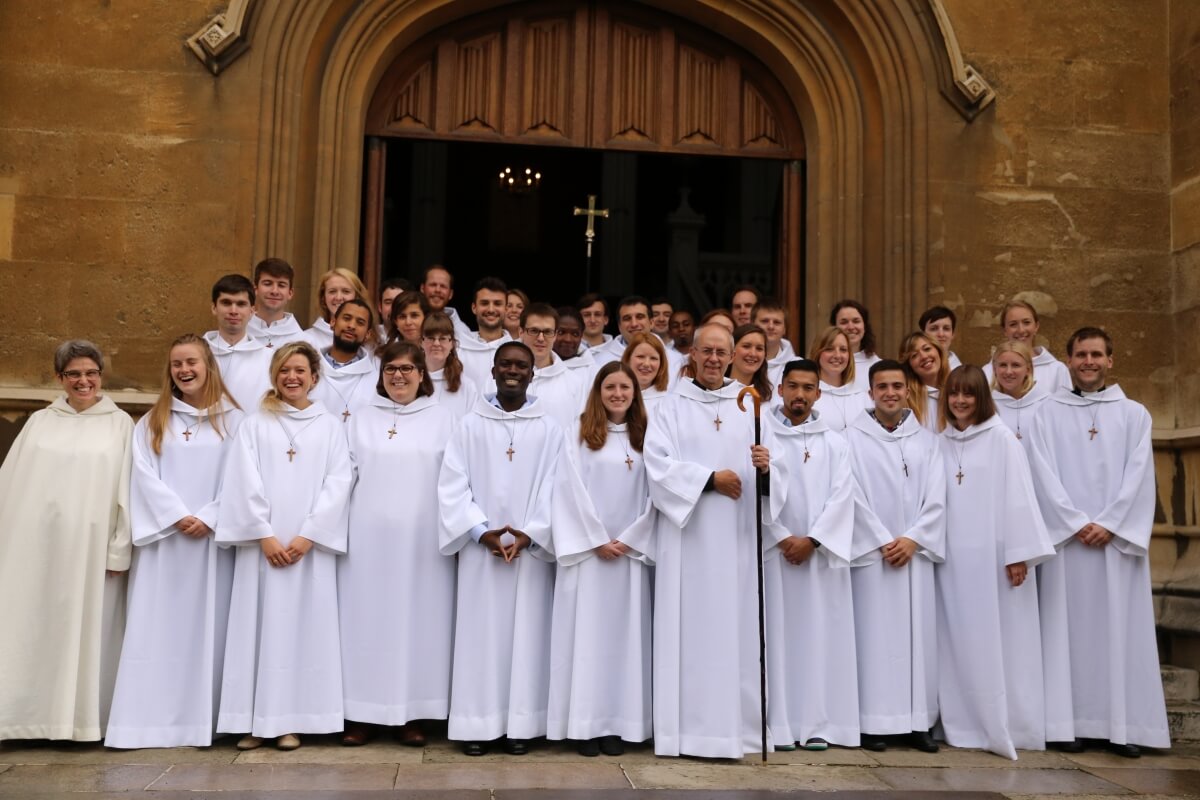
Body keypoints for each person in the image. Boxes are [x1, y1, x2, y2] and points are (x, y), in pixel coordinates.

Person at [438, 342, 605, 756]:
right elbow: (452, 484)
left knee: (529, 638)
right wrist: (481, 532)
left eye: (522, 366)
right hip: (482, 552)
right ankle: (476, 725)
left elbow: (558, 486)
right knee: (481, 638)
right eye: (506, 365)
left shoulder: (550, 428)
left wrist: (530, 533)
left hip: (530, 554)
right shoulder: (469, 425)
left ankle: (522, 726)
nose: (513, 371)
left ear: (533, 374)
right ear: (492, 371)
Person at [1026, 327, 1169, 757]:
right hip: (1068, 545)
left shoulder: (1134, 414)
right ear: (1068, 360)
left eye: (1096, 355)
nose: (1088, 361)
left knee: (1118, 631)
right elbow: (1041, 473)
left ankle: (1120, 727)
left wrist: (1109, 523)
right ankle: (1066, 725)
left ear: (1111, 360)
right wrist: (1073, 522)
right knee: (1064, 633)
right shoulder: (1046, 413)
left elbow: (1140, 475)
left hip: (1114, 546)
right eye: (1081, 354)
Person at [643, 324, 784, 758]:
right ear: (693, 353)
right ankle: (685, 732)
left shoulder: (750, 406)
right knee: (689, 632)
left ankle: (737, 731)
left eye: (721, 352)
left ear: (731, 356)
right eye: (706, 351)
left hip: (737, 543)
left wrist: (766, 470)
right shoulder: (671, 406)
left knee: (736, 631)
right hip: (688, 540)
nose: (713, 358)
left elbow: (777, 480)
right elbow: (657, 465)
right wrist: (709, 479)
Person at [105, 335, 243, 749]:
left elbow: (244, 476)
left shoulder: (235, 421)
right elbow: (141, 476)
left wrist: (210, 516)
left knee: (210, 631)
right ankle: (148, 723)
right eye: (176, 364)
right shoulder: (152, 421)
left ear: (209, 366)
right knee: (158, 632)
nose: (184, 370)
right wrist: (177, 515)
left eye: (191, 363)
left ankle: (207, 721)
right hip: (166, 545)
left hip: (212, 547)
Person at [216, 342, 352, 751]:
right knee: (258, 630)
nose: (292, 377)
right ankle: (254, 722)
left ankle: (293, 720)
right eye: (284, 371)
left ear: (314, 375)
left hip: (307, 549)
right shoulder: (255, 424)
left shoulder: (330, 426)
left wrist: (309, 535)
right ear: (274, 375)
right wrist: (264, 535)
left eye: (300, 370)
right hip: (264, 549)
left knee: (300, 633)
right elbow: (242, 480)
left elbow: (339, 482)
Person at [0, 340, 133, 742]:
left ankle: (78, 723)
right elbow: (12, 483)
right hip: (36, 551)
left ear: (100, 376)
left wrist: (119, 548)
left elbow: (128, 491)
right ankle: (25, 719)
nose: (83, 381)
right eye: (74, 374)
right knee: (34, 628)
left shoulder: (120, 424)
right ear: (60, 378)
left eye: (91, 373)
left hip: (91, 554)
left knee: (85, 633)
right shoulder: (40, 422)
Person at [935, 365, 1054, 760]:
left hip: (995, 560)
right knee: (959, 641)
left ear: (982, 398)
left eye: (969, 394)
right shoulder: (940, 442)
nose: (960, 401)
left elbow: (1019, 496)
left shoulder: (1002, 439)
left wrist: (1018, 554)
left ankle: (1006, 722)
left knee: (999, 641)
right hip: (952, 563)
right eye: (954, 394)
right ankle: (962, 721)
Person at [340, 342, 456, 747]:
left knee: (417, 626)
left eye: (408, 369)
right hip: (367, 542)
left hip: (423, 543)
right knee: (366, 624)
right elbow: (343, 475)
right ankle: (362, 714)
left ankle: (414, 715)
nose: (399, 376)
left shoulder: (443, 419)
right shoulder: (361, 418)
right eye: (391, 369)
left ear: (423, 375)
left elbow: (455, 480)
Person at [548, 362, 655, 757]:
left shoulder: (647, 435)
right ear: (598, 390)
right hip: (589, 556)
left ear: (634, 393)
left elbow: (655, 492)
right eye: (610, 386)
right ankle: (584, 726)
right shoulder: (577, 433)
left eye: (625, 387)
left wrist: (629, 539)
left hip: (629, 555)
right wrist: (595, 539)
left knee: (623, 642)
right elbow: (566, 486)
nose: (617, 394)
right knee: (586, 641)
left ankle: (618, 725)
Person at [846, 359, 946, 753]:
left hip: (913, 557)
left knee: (917, 639)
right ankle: (874, 721)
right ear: (870, 392)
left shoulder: (926, 441)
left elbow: (938, 499)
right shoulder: (851, 439)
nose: (890, 393)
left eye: (897, 386)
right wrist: (884, 539)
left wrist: (914, 539)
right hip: (874, 556)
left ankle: (918, 721)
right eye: (882, 386)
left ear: (909, 391)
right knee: (874, 637)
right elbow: (849, 493)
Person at [763, 359, 860, 752]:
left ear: (819, 393)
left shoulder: (835, 442)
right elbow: (757, 491)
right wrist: (783, 537)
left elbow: (843, 496)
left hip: (818, 559)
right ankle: (779, 724)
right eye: (793, 386)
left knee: (820, 640)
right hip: (777, 556)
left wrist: (813, 540)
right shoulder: (762, 434)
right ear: (780, 389)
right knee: (778, 639)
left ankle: (820, 723)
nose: (800, 395)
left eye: (808, 388)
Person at [205, 274, 273, 410]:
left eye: (241, 304)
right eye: (226, 303)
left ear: (252, 311)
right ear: (214, 308)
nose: (233, 311)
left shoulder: (269, 359)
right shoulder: (197, 353)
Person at [310, 297, 380, 426]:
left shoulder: (376, 379)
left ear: (368, 334)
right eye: (346, 318)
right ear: (332, 322)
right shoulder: (310, 369)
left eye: (360, 322)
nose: (351, 326)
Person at [519, 304, 587, 431]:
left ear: (555, 335)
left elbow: (578, 432)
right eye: (534, 331)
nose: (540, 338)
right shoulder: (500, 377)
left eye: (548, 332)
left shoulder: (574, 383)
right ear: (521, 332)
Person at [981, 299, 1071, 395]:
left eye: (1026, 322)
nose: (1021, 330)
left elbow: (1066, 408)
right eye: (1013, 324)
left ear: (1036, 326)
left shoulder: (1057, 370)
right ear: (1005, 330)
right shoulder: (987, 372)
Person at [595, 296, 685, 382]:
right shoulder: (599, 361)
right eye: (627, 318)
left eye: (640, 317)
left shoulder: (676, 361)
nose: (634, 324)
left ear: (651, 322)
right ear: (619, 326)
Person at [809, 327, 869, 433]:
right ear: (817, 353)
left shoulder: (862, 397)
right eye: (829, 349)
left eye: (843, 350)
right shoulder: (809, 395)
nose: (837, 355)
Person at [457, 277, 512, 391]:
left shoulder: (517, 350)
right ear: (474, 307)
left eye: (497, 303)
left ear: (506, 309)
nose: (491, 309)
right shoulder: (457, 349)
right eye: (484, 303)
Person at [421, 311, 479, 421]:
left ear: (452, 343)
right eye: (431, 338)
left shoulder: (466, 386)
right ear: (421, 342)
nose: (436, 343)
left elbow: (471, 427)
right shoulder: (411, 380)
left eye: (442, 338)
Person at [990, 340, 1049, 446]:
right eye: (1003, 365)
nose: (1008, 371)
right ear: (995, 369)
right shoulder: (986, 404)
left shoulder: (1046, 404)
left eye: (1015, 365)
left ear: (1028, 369)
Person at [300, 268, 371, 352]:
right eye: (332, 291)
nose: (338, 297)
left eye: (346, 291)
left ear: (357, 296)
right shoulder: (306, 339)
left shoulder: (372, 343)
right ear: (323, 298)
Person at [248, 257, 305, 349]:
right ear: (255, 289)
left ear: (290, 293)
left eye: (281, 285)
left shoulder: (304, 342)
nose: (274, 291)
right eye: (267, 284)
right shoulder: (239, 334)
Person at [899, 331, 948, 431]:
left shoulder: (957, 392)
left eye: (927, 349)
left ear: (938, 351)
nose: (924, 357)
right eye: (914, 355)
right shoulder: (905, 402)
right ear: (909, 366)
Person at [831, 300, 880, 392]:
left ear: (864, 327)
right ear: (834, 328)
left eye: (856, 321)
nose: (851, 327)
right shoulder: (825, 363)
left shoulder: (877, 365)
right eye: (844, 322)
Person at [621, 333, 671, 415]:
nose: (646, 364)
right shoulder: (615, 397)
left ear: (661, 364)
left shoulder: (669, 403)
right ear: (628, 359)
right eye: (640, 356)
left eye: (653, 358)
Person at [752, 297, 795, 389]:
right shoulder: (741, 361)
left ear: (784, 329)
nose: (771, 326)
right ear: (752, 325)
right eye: (765, 321)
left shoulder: (797, 365)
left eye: (777, 322)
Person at [420, 264, 472, 339]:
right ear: (422, 288)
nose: (437, 290)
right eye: (433, 285)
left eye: (443, 286)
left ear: (450, 294)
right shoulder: (409, 324)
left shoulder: (463, 332)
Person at [729, 324, 773, 403]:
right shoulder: (715, 391)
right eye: (746, 346)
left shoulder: (767, 398)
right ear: (732, 351)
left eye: (759, 348)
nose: (753, 354)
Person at [920, 305, 963, 370]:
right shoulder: (913, 368)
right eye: (934, 329)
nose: (941, 334)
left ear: (953, 334)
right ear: (923, 334)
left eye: (946, 328)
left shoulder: (960, 373)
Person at [376, 277, 413, 341]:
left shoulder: (423, 340)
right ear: (380, 307)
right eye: (388, 302)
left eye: (399, 302)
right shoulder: (369, 337)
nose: (393, 307)